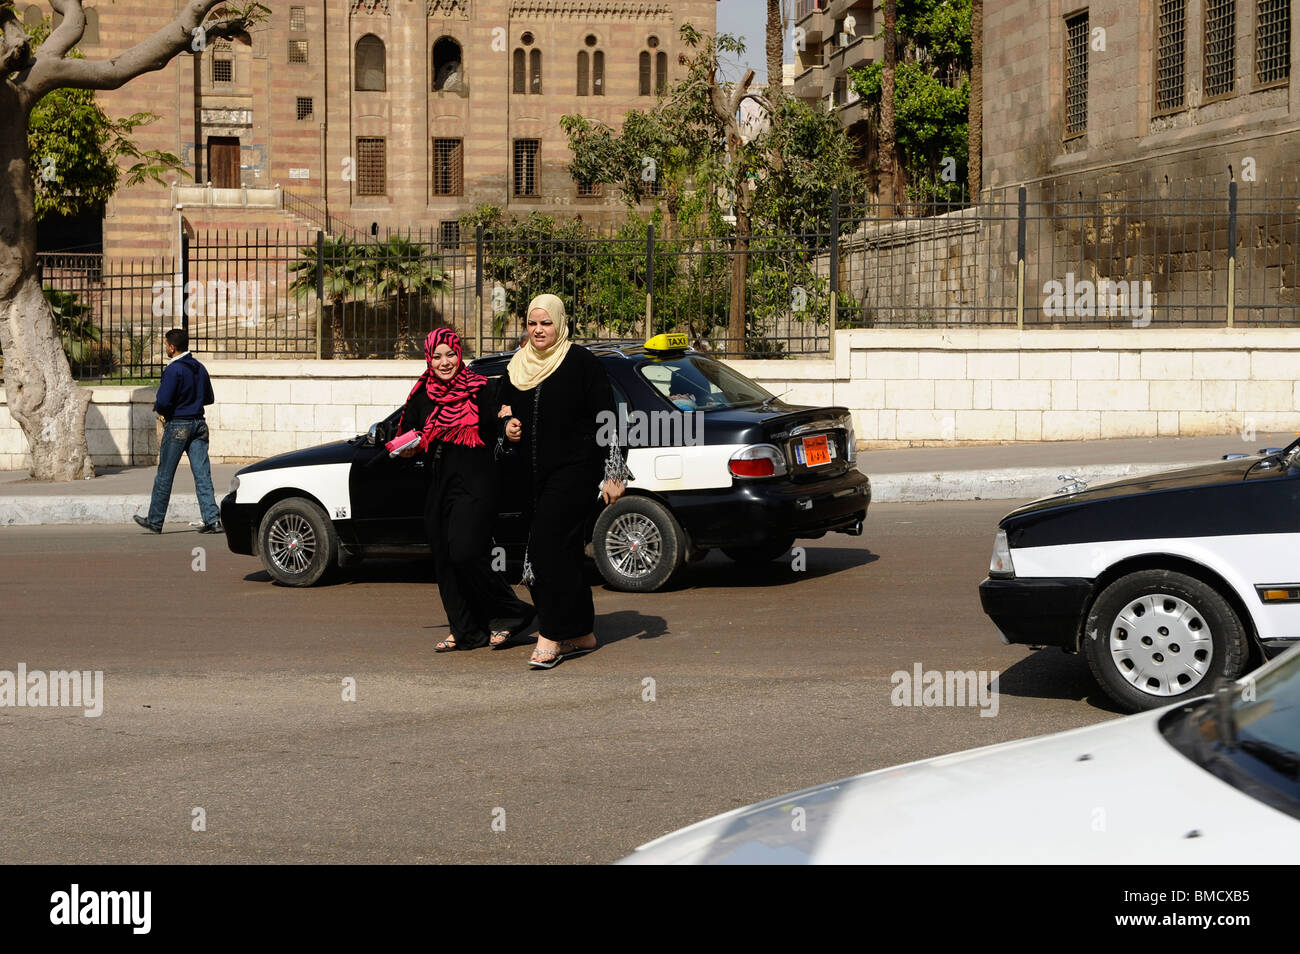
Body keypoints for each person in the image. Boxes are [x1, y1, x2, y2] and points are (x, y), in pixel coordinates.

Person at [499, 294, 629, 670]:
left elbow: (607, 418)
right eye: (532, 323)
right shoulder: (517, 366)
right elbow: (501, 410)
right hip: (530, 477)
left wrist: (614, 472)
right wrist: (505, 427)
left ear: (560, 323)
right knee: (566, 555)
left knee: (544, 550)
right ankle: (582, 633)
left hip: (574, 472)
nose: (539, 330)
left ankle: (551, 634)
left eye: (546, 323)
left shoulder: (581, 363)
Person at [396, 329, 534, 652]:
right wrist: (406, 448)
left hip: (477, 483)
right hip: (437, 485)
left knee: (465, 551)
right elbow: (409, 435)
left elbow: (503, 418)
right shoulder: (422, 394)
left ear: (460, 353)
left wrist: (509, 429)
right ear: (429, 358)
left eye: (451, 354)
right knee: (444, 558)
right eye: (438, 356)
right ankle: (466, 630)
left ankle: (510, 612)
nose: (445, 362)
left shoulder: (481, 388)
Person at [133, 328, 222, 534]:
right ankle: (213, 519)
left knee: (165, 474)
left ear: (172, 347)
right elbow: (209, 398)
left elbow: (164, 400)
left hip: (178, 426)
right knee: (202, 474)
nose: (166, 348)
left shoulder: (174, 369)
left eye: (166, 345)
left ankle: (155, 520)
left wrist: (161, 407)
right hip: (199, 424)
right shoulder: (199, 367)